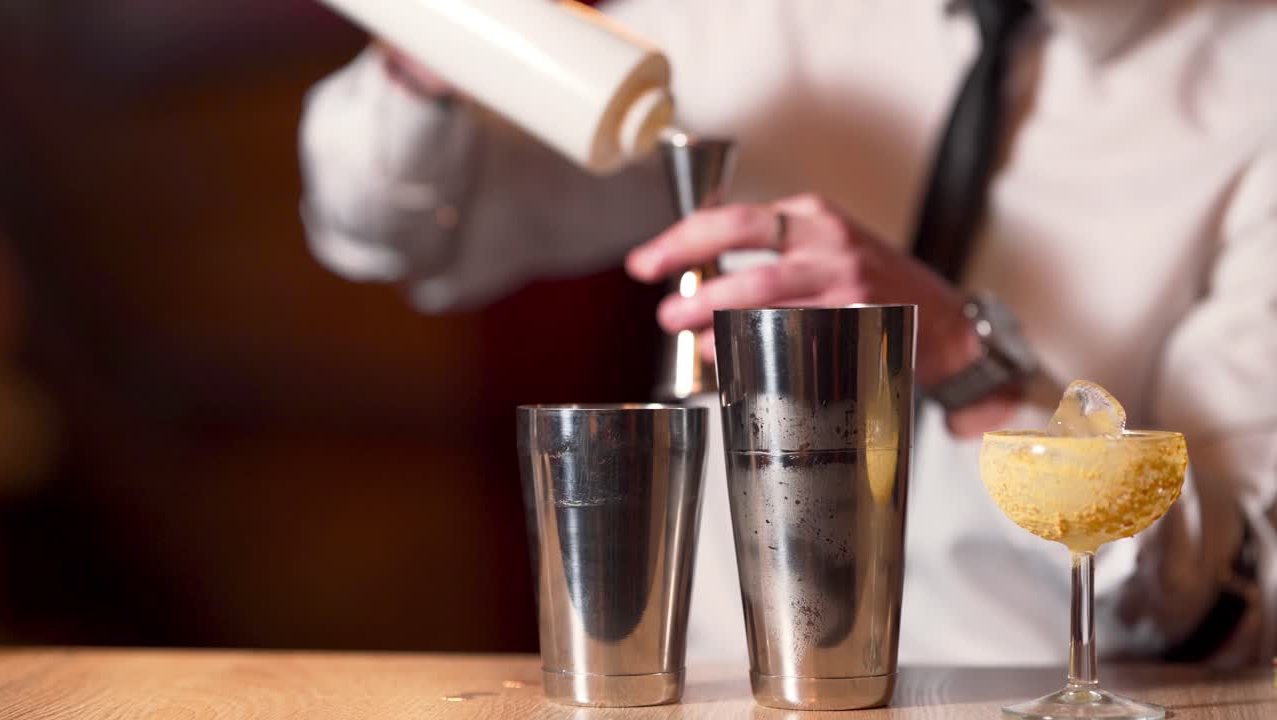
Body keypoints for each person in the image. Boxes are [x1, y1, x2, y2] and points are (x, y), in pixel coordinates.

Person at [298, 0, 1277, 666]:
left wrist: (961, 362)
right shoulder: (765, 14)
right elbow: (404, 233)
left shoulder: (1256, 90)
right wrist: (440, 55)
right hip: (720, 687)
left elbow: (1236, 599)